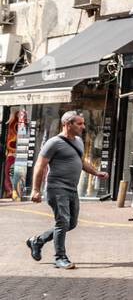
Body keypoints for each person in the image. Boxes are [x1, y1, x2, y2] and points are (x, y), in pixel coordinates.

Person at [26, 111, 108, 270]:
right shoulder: (53, 142)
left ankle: (38, 241)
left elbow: (81, 161)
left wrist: (96, 172)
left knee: (71, 223)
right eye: (79, 124)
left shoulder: (78, 141)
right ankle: (60, 258)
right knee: (62, 221)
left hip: (72, 189)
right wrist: (35, 190)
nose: (83, 127)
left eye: (83, 123)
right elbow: (40, 165)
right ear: (67, 124)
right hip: (56, 188)